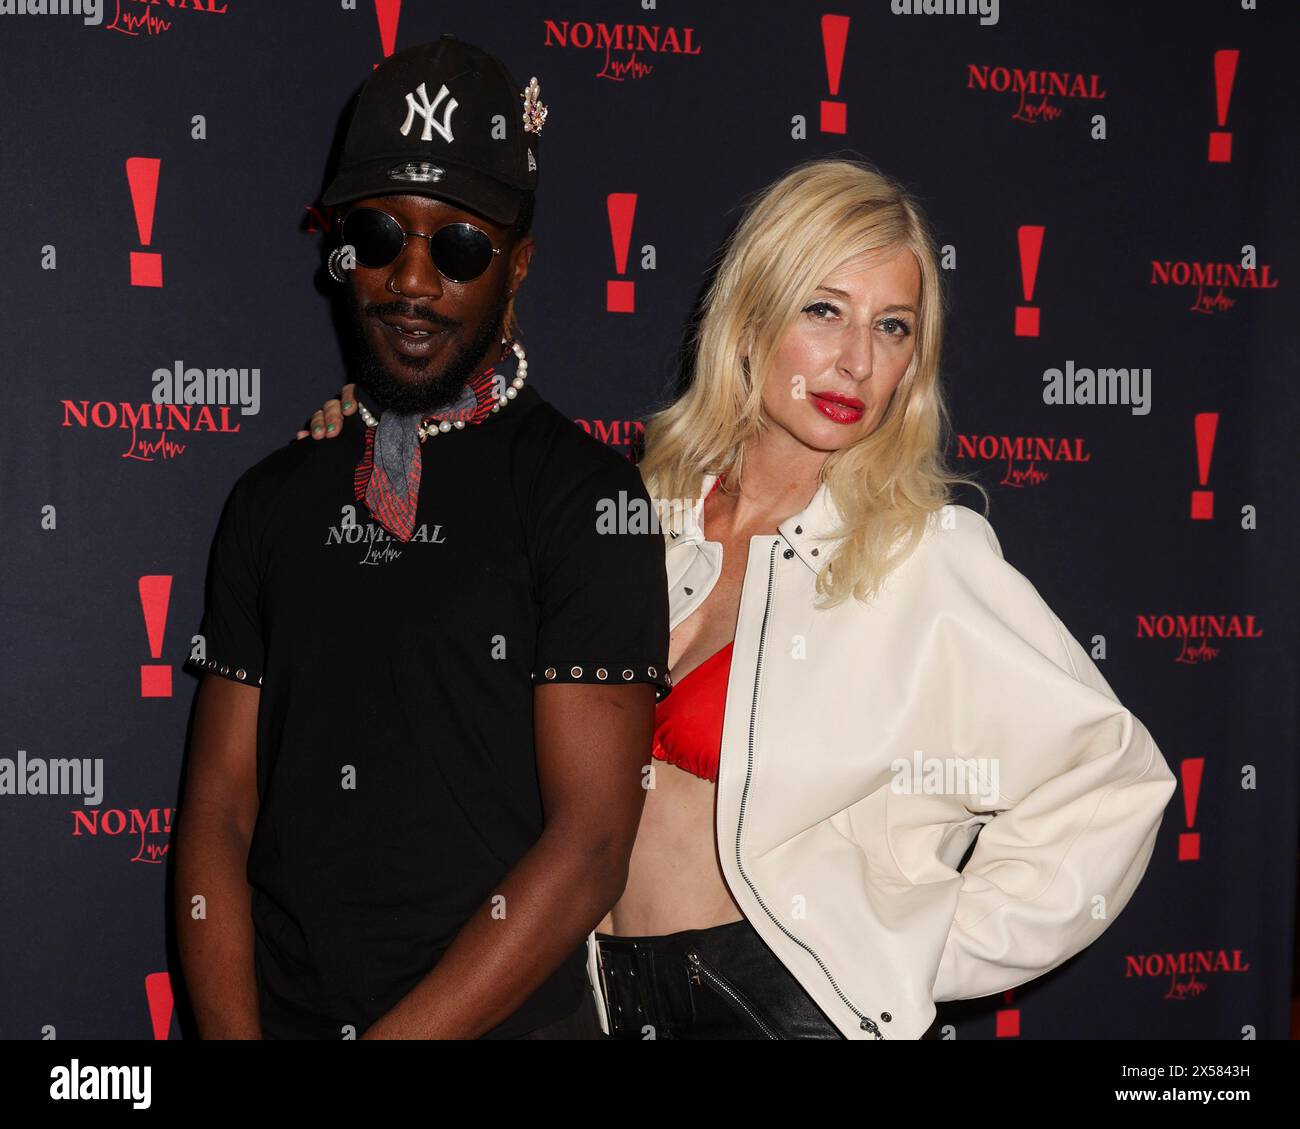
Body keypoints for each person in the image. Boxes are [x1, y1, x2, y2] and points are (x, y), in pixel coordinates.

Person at [301, 156, 1178, 1040]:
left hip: (783, 1012)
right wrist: (385, 441)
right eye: (824, 310)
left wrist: (901, 950)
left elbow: (1112, 780)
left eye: (894, 327)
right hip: (597, 1004)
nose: (857, 361)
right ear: (753, 319)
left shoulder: (925, 553)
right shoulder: (634, 513)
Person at [174, 35, 670, 1041]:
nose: (410, 279)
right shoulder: (271, 499)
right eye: (379, 235)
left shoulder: (586, 499)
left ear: (517, 263)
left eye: (457, 248)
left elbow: (591, 843)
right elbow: (220, 809)